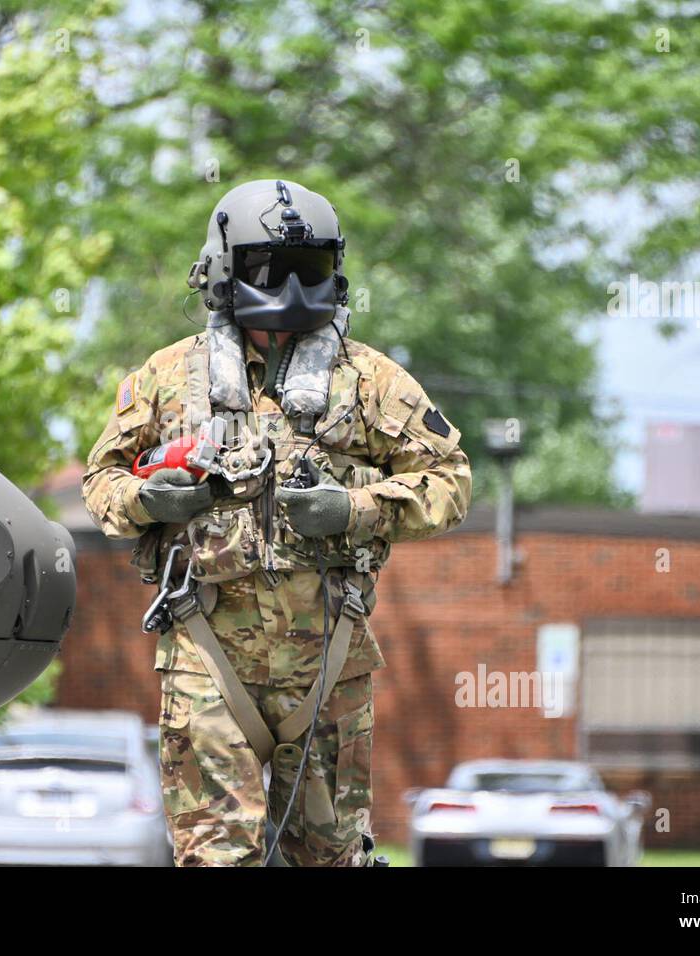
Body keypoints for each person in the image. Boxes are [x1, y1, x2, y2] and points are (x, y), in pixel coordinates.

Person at [81, 179, 471, 866]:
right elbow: (100, 482)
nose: (289, 291)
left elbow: (452, 482)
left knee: (331, 855)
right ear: (226, 270)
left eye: (309, 268)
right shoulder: (169, 376)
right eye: (270, 269)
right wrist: (151, 501)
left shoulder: (370, 380)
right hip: (206, 659)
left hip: (328, 667)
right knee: (212, 857)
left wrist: (353, 510)